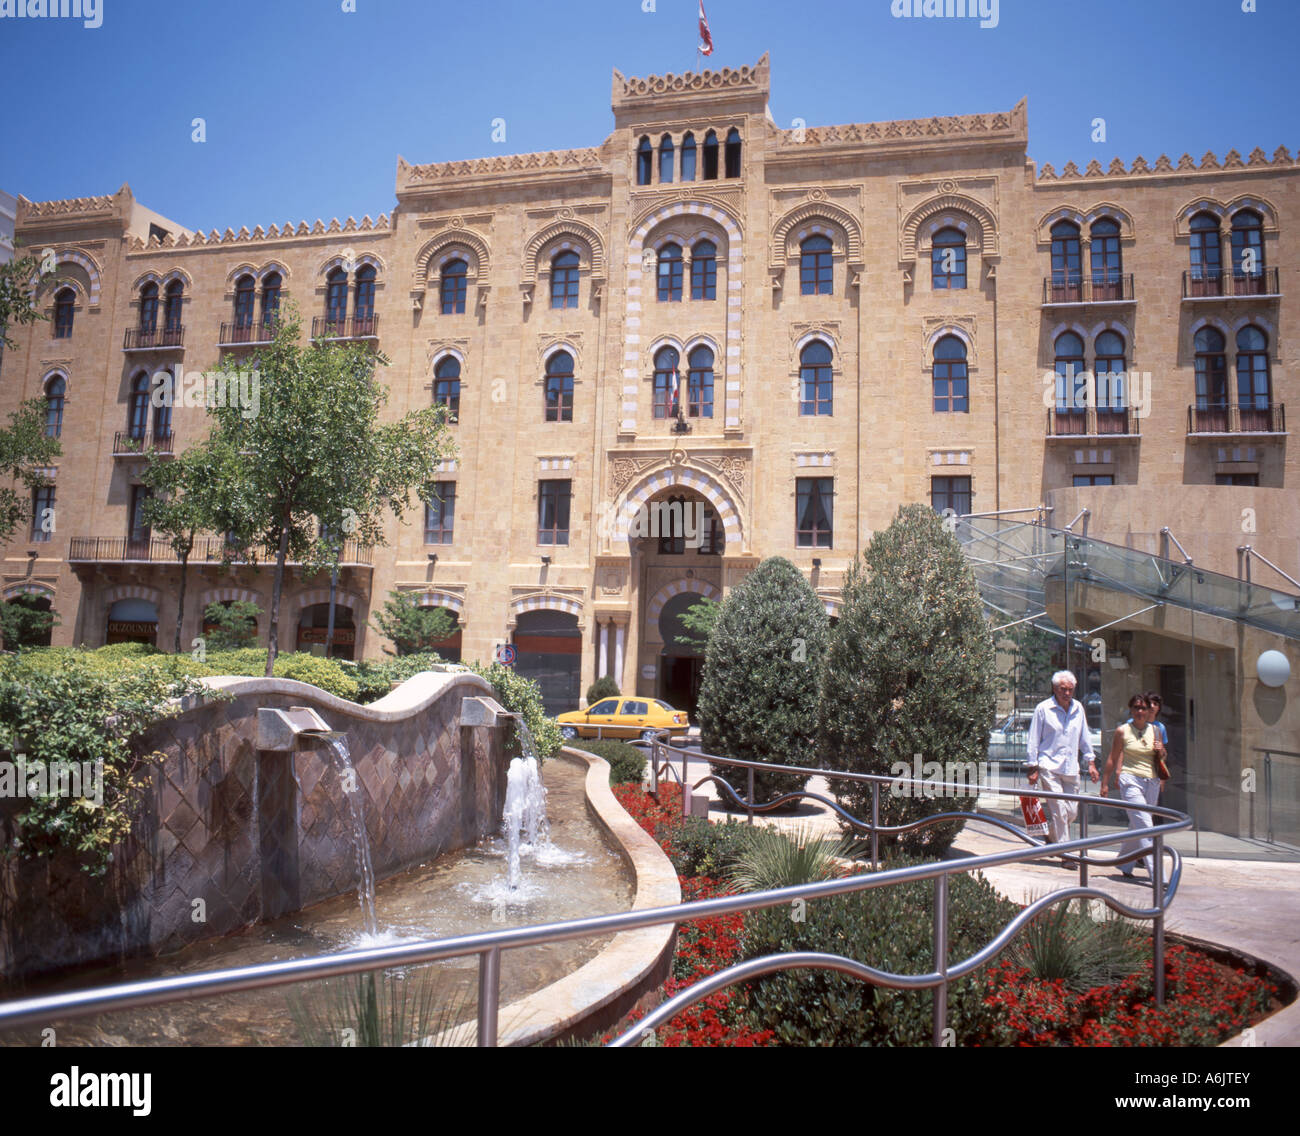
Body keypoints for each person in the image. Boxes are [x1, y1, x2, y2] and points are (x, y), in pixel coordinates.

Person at [1026, 670, 1098, 848]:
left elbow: (1084, 737)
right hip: (1048, 766)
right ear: (1055, 688)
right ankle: (1066, 853)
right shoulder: (1043, 709)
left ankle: (1051, 835)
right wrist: (1032, 766)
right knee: (1060, 812)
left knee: (1072, 812)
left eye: (1070, 689)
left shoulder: (1078, 708)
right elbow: (1033, 739)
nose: (1066, 693)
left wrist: (1091, 762)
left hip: (1071, 768)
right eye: (1063, 689)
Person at [1100, 694, 1168, 878]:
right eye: (1136, 708)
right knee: (1146, 825)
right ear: (1131, 710)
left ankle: (1124, 863)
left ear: (1148, 711)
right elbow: (1112, 758)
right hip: (1130, 781)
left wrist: (1160, 750)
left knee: (1137, 823)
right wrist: (1104, 782)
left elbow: (1162, 756)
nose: (1140, 711)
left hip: (1151, 781)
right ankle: (1158, 875)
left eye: (1143, 708)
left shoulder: (1155, 730)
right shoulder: (1122, 731)